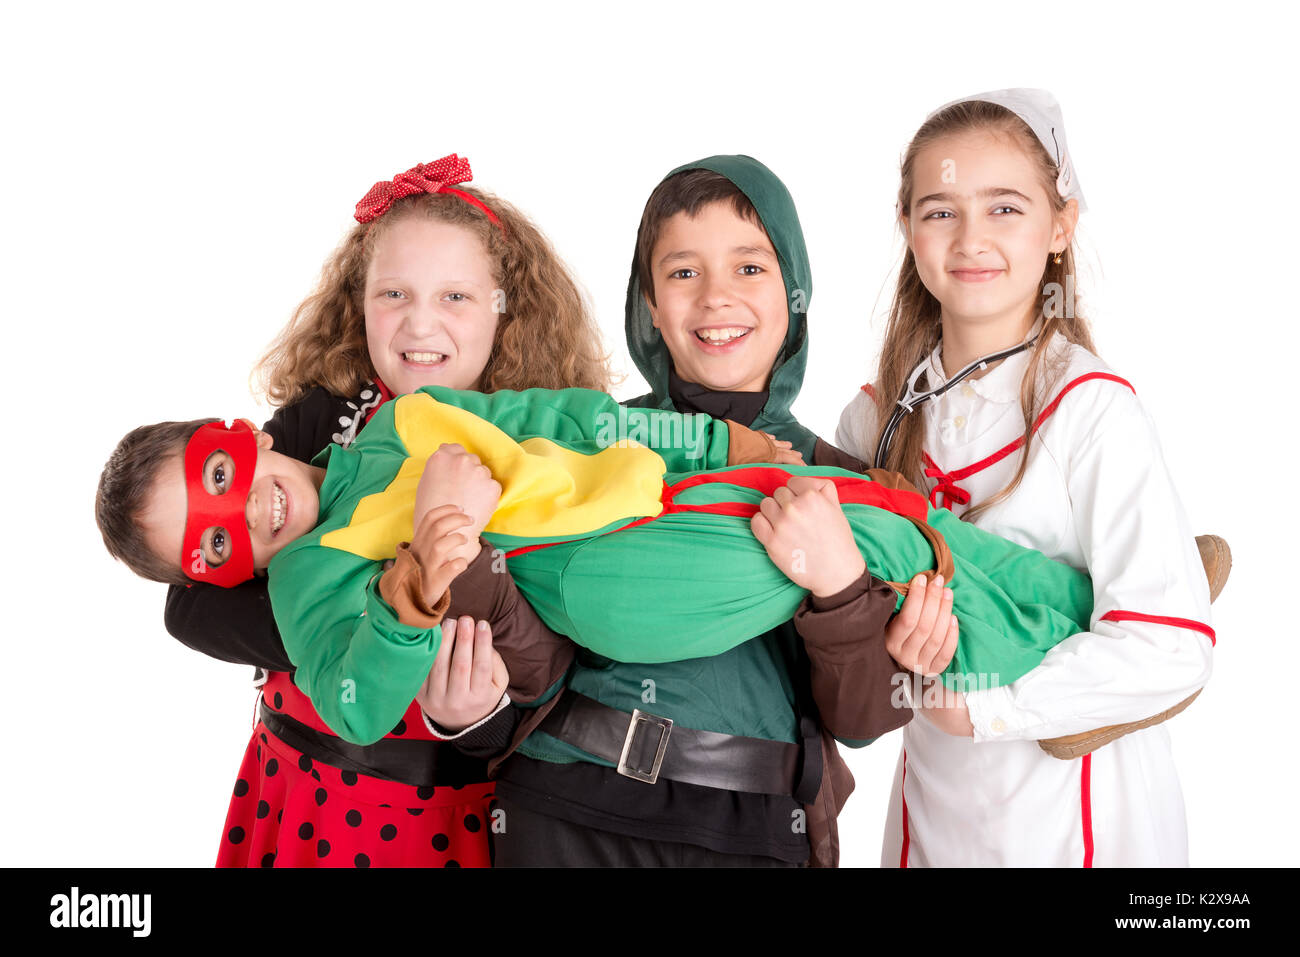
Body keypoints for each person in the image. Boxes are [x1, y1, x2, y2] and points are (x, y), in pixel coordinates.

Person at [99, 378, 1111, 741]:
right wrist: (412, 586)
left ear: (246, 437)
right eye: (213, 538)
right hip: (601, 582)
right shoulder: (307, 579)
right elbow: (355, 698)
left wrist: (719, 445)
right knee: (871, 534)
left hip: (646, 506)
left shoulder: (403, 420)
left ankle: (1073, 618)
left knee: (871, 514)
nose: (246, 510)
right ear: (221, 572)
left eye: (221, 472)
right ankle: (1077, 635)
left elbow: (571, 421)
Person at [138, 154, 608, 866]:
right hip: (297, 791)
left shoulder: (541, 444)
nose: (422, 323)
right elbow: (190, 607)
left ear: (506, 306)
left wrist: (460, 699)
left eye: (455, 297)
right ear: (359, 301)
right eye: (393, 293)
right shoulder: (319, 423)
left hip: (450, 808)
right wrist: (370, 618)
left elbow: (551, 672)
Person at [491, 156, 917, 868]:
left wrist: (841, 588)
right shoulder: (590, 439)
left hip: (751, 829)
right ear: (650, 304)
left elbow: (866, 719)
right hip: (564, 807)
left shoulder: (844, 483)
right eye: (683, 272)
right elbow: (522, 612)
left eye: (749, 268)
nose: (717, 298)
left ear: (796, 290)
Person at [835, 90, 1214, 866]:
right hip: (932, 813)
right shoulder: (873, 419)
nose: (971, 238)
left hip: (1085, 824)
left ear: (1061, 227)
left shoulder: (1092, 410)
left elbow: (1173, 643)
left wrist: (985, 708)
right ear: (907, 228)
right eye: (940, 211)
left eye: (1005, 208)